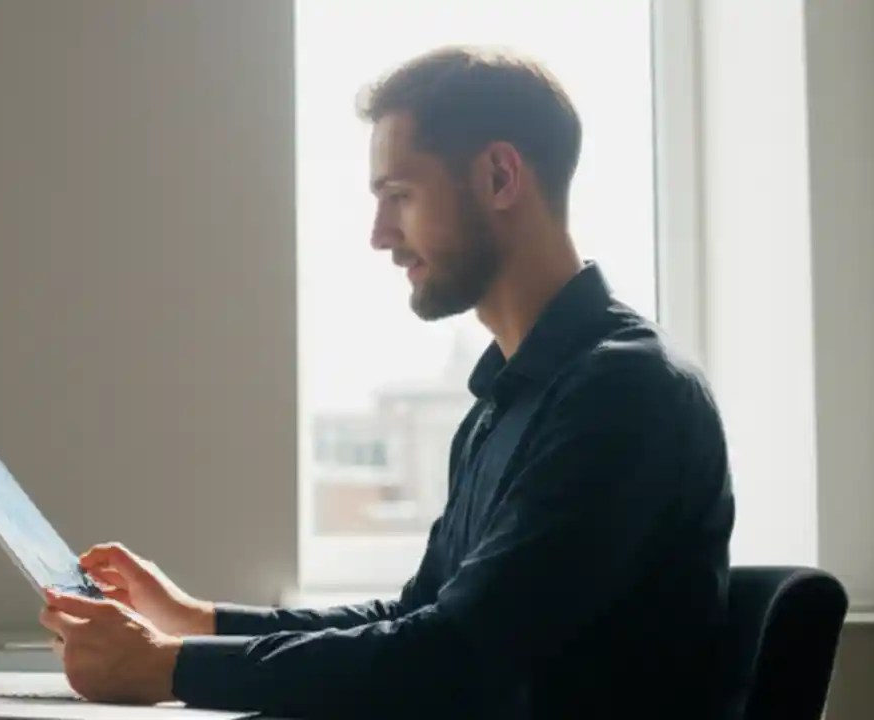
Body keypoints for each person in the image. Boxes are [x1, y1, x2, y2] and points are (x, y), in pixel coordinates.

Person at [40, 46, 736, 720]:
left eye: (399, 195)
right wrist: (196, 623)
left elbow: (455, 659)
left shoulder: (626, 395)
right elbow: (419, 617)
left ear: (499, 177)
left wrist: (167, 667)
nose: (379, 234)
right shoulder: (510, 399)